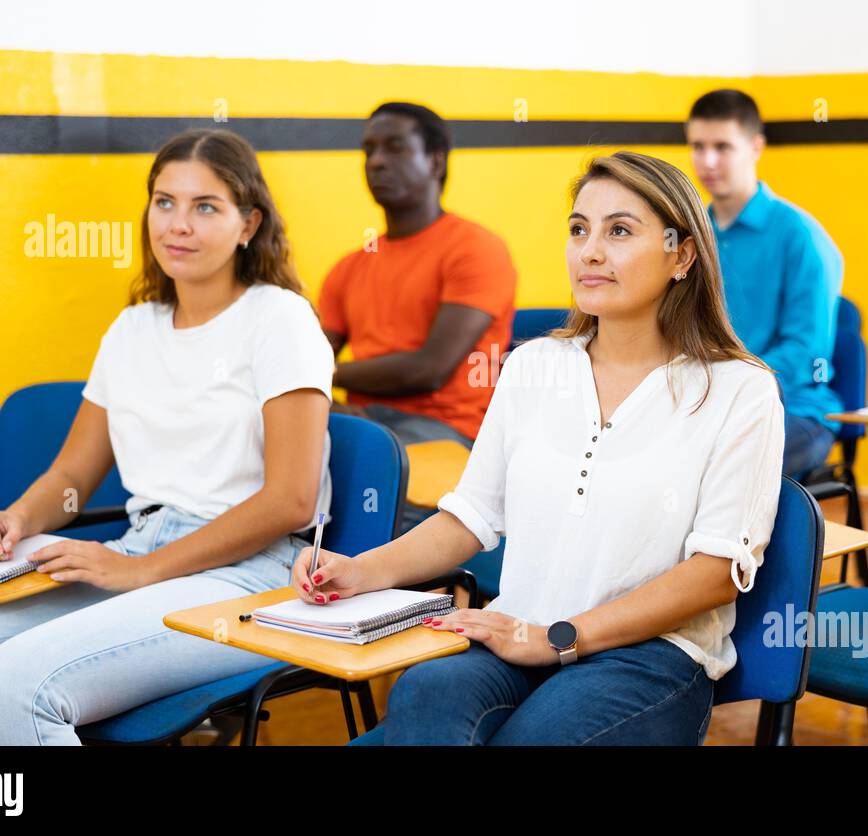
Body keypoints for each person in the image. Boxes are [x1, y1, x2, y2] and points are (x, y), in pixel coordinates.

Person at [294, 151, 785, 745]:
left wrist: (559, 637)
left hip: (648, 658)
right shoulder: (533, 367)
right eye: (579, 230)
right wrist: (356, 572)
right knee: (423, 693)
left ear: (681, 255)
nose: (590, 251)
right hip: (514, 632)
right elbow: (471, 518)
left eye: (620, 231)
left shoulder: (739, 389)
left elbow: (714, 576)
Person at [0, 129, 335, 745]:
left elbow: (291, 500)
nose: (179, 224)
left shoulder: (280, 319)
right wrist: (12, 520)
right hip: (141, 547)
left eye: (206, 207)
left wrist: (144, 570)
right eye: (164, 202)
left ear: (248, 223)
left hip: (251, 573)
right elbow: (71, 477)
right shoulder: (131, 328)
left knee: (17, 685)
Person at [318, 102, 517, 530]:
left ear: (436, 160)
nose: (376, 161)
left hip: (448, 436)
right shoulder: (348, 268)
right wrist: (326, 397)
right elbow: (306, 362)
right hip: (365, 425)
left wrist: (329, 374)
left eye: (395, 147)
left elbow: (428, 369)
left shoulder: (475, 249)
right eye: (368, 150)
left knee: (367, 503)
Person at [686, 89, 844, 477]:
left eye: (722, 147)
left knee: (718, 467)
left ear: (756, 147)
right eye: (697, 146)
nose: (707, 161)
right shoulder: (688, 234)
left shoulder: (801, 236)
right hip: (706, 403)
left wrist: (725, 385)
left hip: (798, 410)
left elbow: (805, 352)